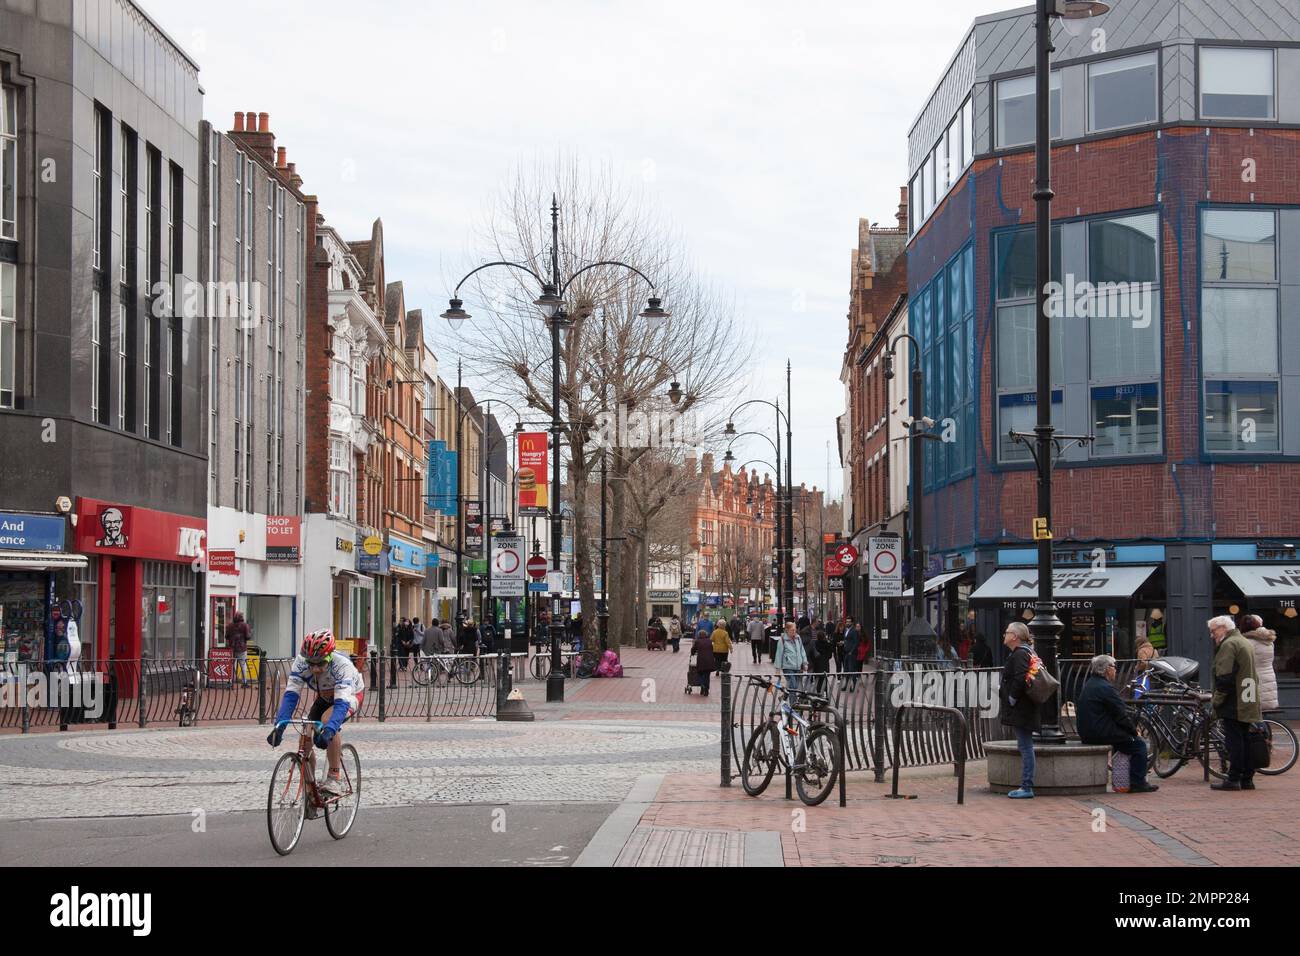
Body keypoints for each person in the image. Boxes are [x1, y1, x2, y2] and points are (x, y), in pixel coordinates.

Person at [268, 629, 365, 797]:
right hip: (324, 696)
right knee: (306, 733)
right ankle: (310, 789)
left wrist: (329, 731)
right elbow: (291, 695)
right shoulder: (300, 662)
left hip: (349, 695)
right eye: (311, 663)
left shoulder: (342, 665)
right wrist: (279, 726)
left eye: (321, 663)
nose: (315, 668)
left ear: (330, 656)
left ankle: (334, 778)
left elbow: (341, 704)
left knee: (327, 721)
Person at [1077, 654, 1159, 793]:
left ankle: (1124, 780)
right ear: (1107, 669)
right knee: (1139, 746)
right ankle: (1137, 782)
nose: (1116, 670)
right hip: (1099, 732)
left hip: (1088, 731)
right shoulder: (1106, 688)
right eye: (1114, 667)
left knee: (1123, 741)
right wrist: (1133, 731)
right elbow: (1120, 714)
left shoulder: (1091, 684)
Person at [1208, 615, 1262, 791]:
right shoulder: (1243, 641)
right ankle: (1247, 778)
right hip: (1247, 698)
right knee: (1244, 738)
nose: (1212, 635)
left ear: (1223, 628)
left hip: (1234, 700)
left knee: (1234, 741)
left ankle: (1234, 778)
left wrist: (1216, 701)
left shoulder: (1229, 644)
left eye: (1213, 631)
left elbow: (1225, 676)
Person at [999, 622, 1039, 799]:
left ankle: (1027, 785)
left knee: (1025, 745)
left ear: (1014, 636)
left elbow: (1021, 678)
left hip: (1022, 708)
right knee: (1025, 744)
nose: (1004, 635)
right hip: (1024, 707)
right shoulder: (1026, 652)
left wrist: (1011, 698)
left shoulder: (1020, 653)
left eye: (1007, 632)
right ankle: (1026, 784)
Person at [1240, 614, 1279, 713]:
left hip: (1252, 681)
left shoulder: (1248, 642)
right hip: (1268, 678)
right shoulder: (1269, 641)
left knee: (1250, 713)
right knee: (1260, 713)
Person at [774, 621, 809, 693]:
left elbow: (802, 651)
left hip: (797, 666)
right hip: (788, 667)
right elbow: (779, 654)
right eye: (792, 630)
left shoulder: (798, 638)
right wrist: (778, 669)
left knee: (794, 687)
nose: (794, 632)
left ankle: (785, 697)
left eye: (795, 630)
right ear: (787, 630)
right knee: (793, 686)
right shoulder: (782, 640)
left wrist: (805, 663)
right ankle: (793, 703)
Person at [225, 611, 251, 687]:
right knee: (243, 665)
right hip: (242, 648)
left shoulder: (230, 626)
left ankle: (230, 681)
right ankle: (244, 682)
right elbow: (248, 636)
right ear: (241, 617)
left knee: (231, 665)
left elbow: (226, 636)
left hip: (232, 648)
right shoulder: (245, 625)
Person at [690, 627, 717, 696]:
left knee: (700, 674)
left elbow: (693, 649)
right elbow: (713, 649)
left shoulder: (697, 641)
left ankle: (702, 685)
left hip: (701, 660)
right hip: (709, 661)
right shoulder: (709, 641)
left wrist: (692, 653)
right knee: (707, 676)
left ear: (699, 635)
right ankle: (706, 689)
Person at [842, 617, 861, 690]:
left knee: (852, 670)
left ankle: (855, 686)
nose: (847, 623)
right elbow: (847, 640)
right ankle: (847, 685)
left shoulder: (854, 631)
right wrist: (843, 643)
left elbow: (856, 643)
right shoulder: (846, 630)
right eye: (847, 621)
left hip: (851, 653)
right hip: (846, 652)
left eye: (849, 622)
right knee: (846, 670)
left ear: (852, 623)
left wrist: (851, 651)